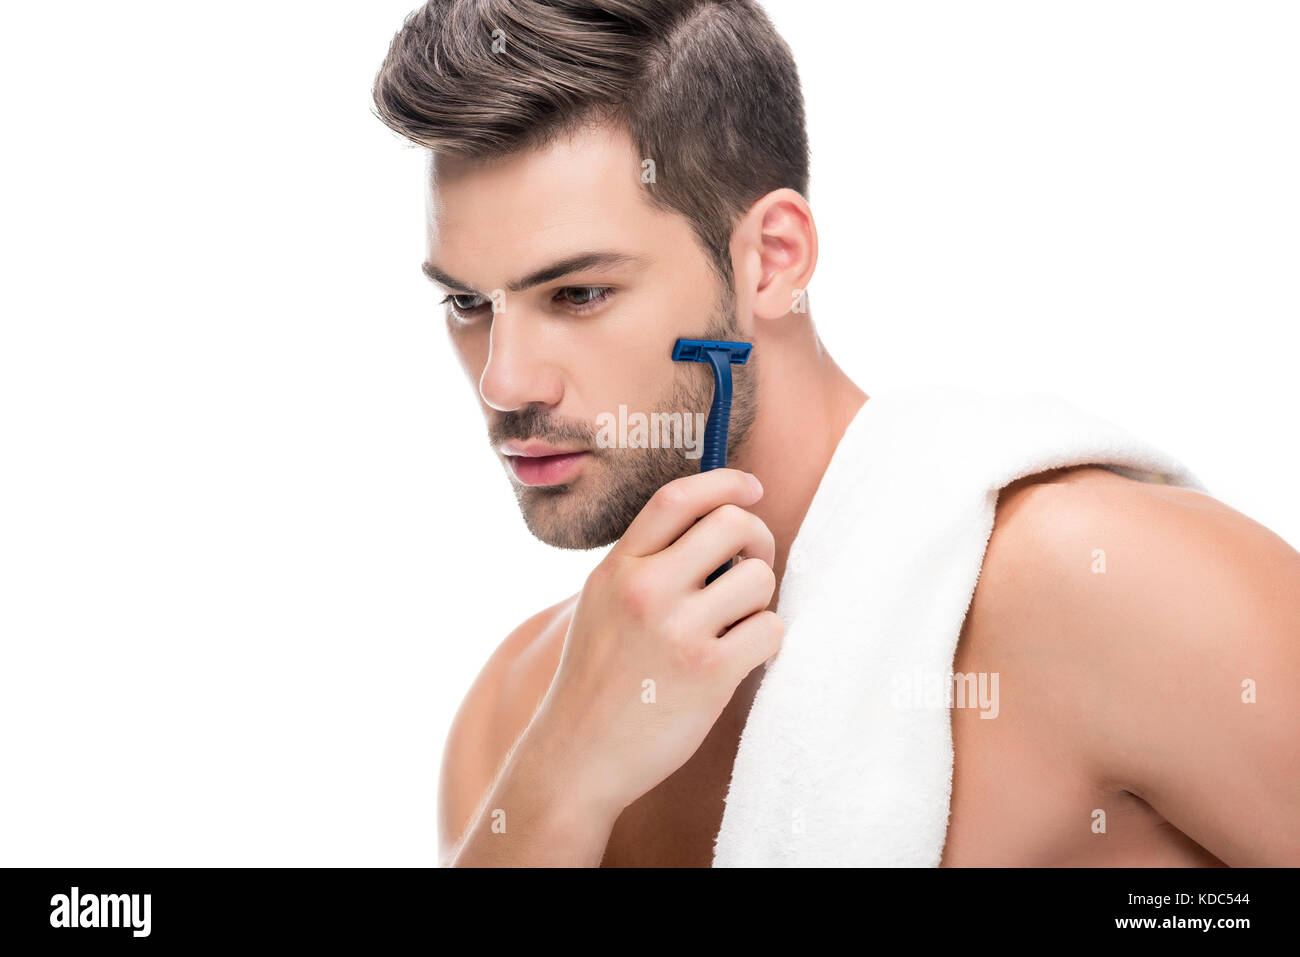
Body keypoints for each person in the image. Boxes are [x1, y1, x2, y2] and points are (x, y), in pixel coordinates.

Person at [371, 0, 1300, 866]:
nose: (502, 380)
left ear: (773, 260)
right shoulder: (518, 717)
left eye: (577, 293)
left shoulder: (1109, 585)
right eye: (466, 301)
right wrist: (561, 779)